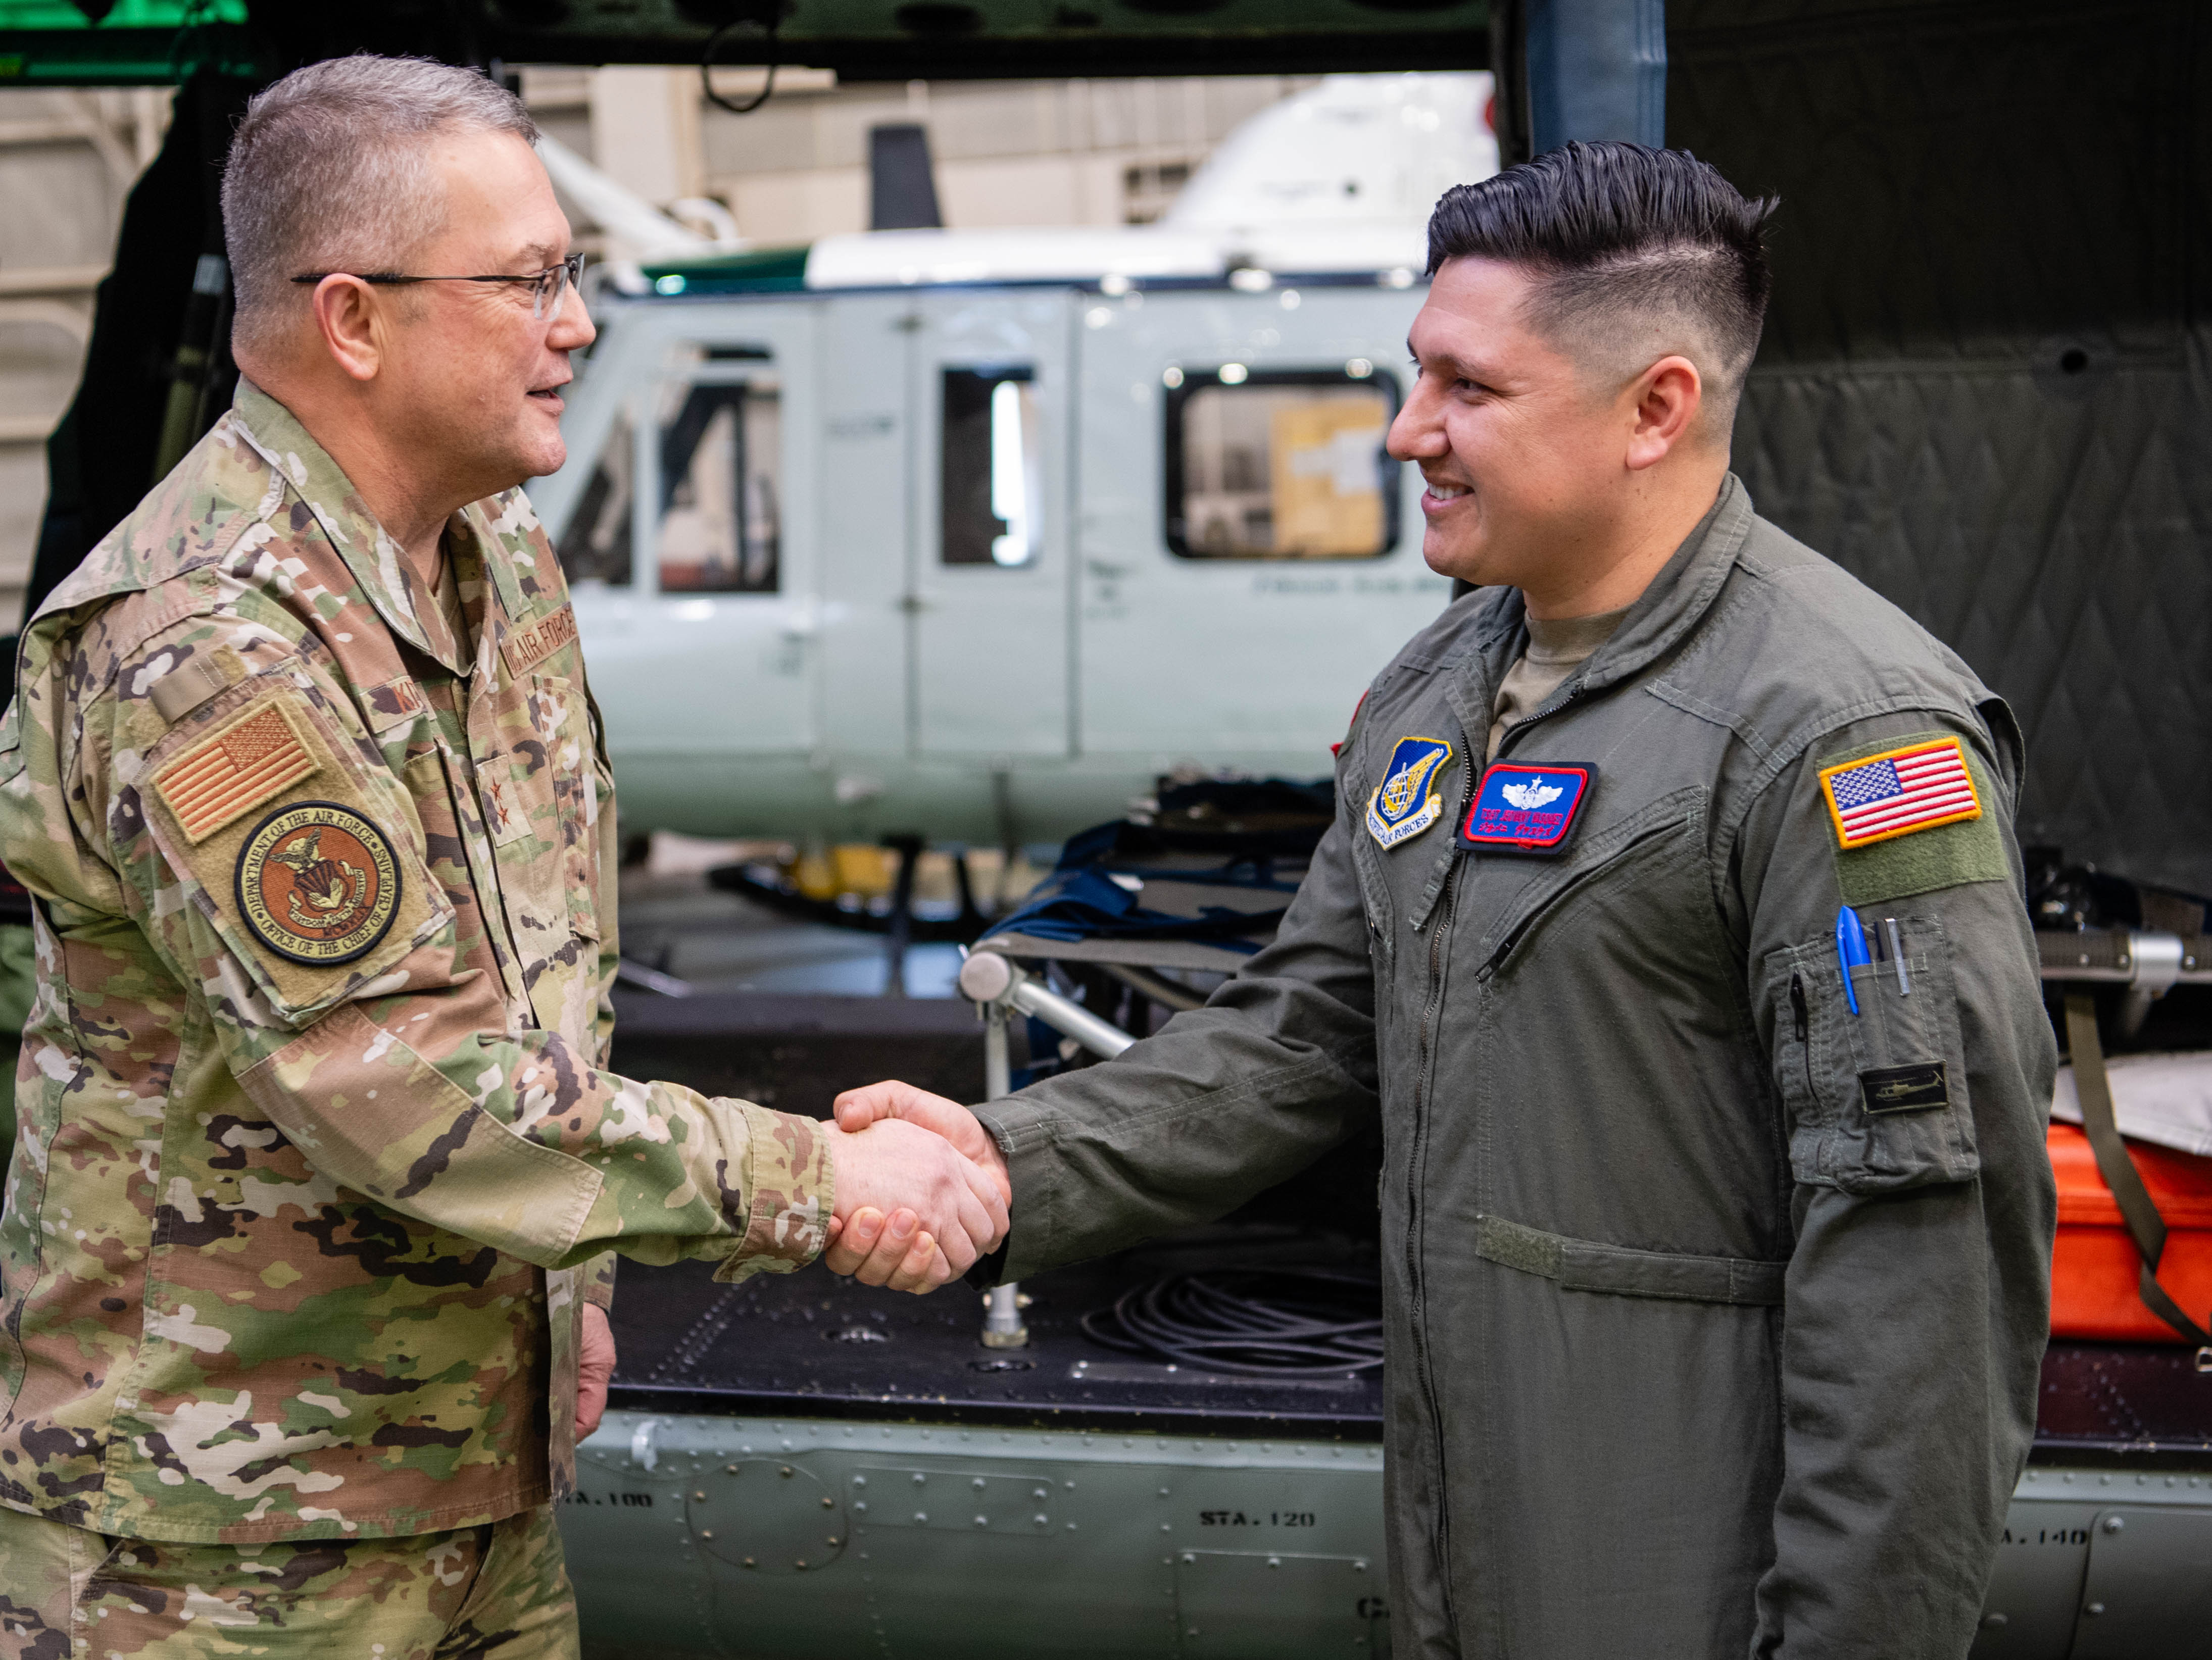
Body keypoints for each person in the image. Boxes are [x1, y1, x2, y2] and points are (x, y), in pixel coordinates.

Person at [830, 141, 2055, 1659]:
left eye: (1467, 389)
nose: (1406, 433)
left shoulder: (1842, 736)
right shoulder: (1442, 683)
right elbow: (1309, 1029)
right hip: (1465, 1531)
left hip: (1695, 1572)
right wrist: (1010, 1162)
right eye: (1415, 376)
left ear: (1653, 408)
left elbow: (1921, 1281)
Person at [0, 56, 1000, 1659]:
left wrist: (560, 1301)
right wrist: (822, 1181)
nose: (574, 325)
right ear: (356, 320)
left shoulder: (486, 555)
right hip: (212, 1538)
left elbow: (536, 972)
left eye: (567, 276)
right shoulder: (206, 644)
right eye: (527, 283)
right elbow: (419, 1081)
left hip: (462, 1480)